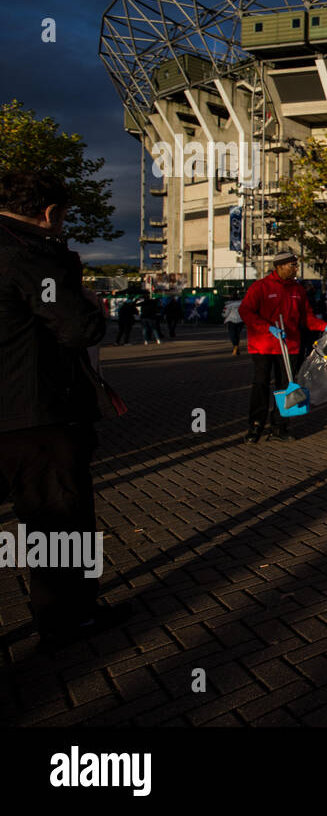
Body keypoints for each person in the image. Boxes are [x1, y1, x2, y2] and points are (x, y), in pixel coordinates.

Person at [0, 170, 132, 649]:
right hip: (36, 410)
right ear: (50, 212)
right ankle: (66, 617)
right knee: (57, 517)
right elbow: (75, 329)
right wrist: (92, 307)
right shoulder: (30, 255)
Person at [239, 251, 327, 442]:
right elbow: (246, 311)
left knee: (286, 385)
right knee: (261, 384)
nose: (296, 268)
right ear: (280, 266)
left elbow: (306, 317)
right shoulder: (261, 287)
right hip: (263, 346)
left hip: (290, 346)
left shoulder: (297, 290)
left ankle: (279, 426)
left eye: (296, 264)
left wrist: (326, 327)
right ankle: (256, 425)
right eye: (292, 265)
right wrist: (267, 328)